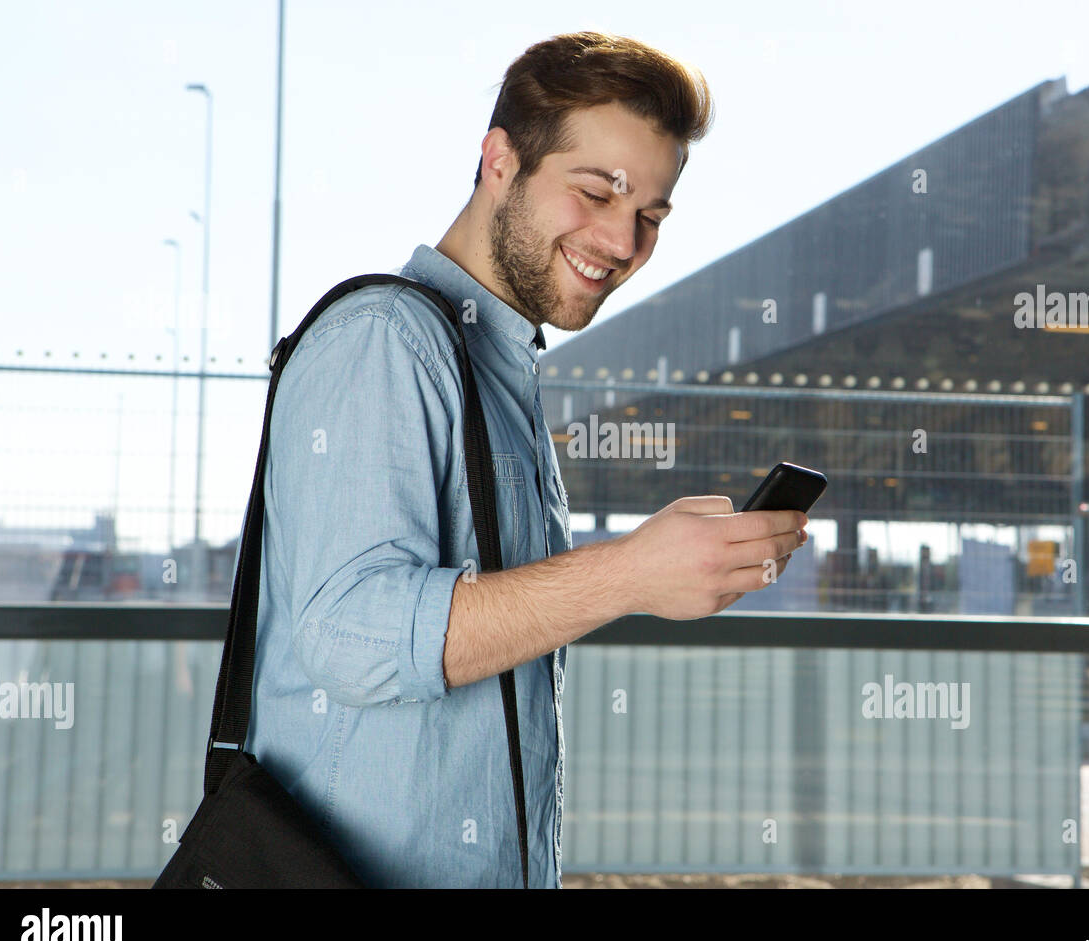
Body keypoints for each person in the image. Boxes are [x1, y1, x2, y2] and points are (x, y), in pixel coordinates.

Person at [245, 30, 808, 888]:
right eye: (595, 194)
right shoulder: (382, 341)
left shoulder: (499, 371)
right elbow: (349, 633)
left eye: (650, 217)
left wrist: (663, 566)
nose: (622, 242)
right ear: (499, 161)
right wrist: (627, 575)